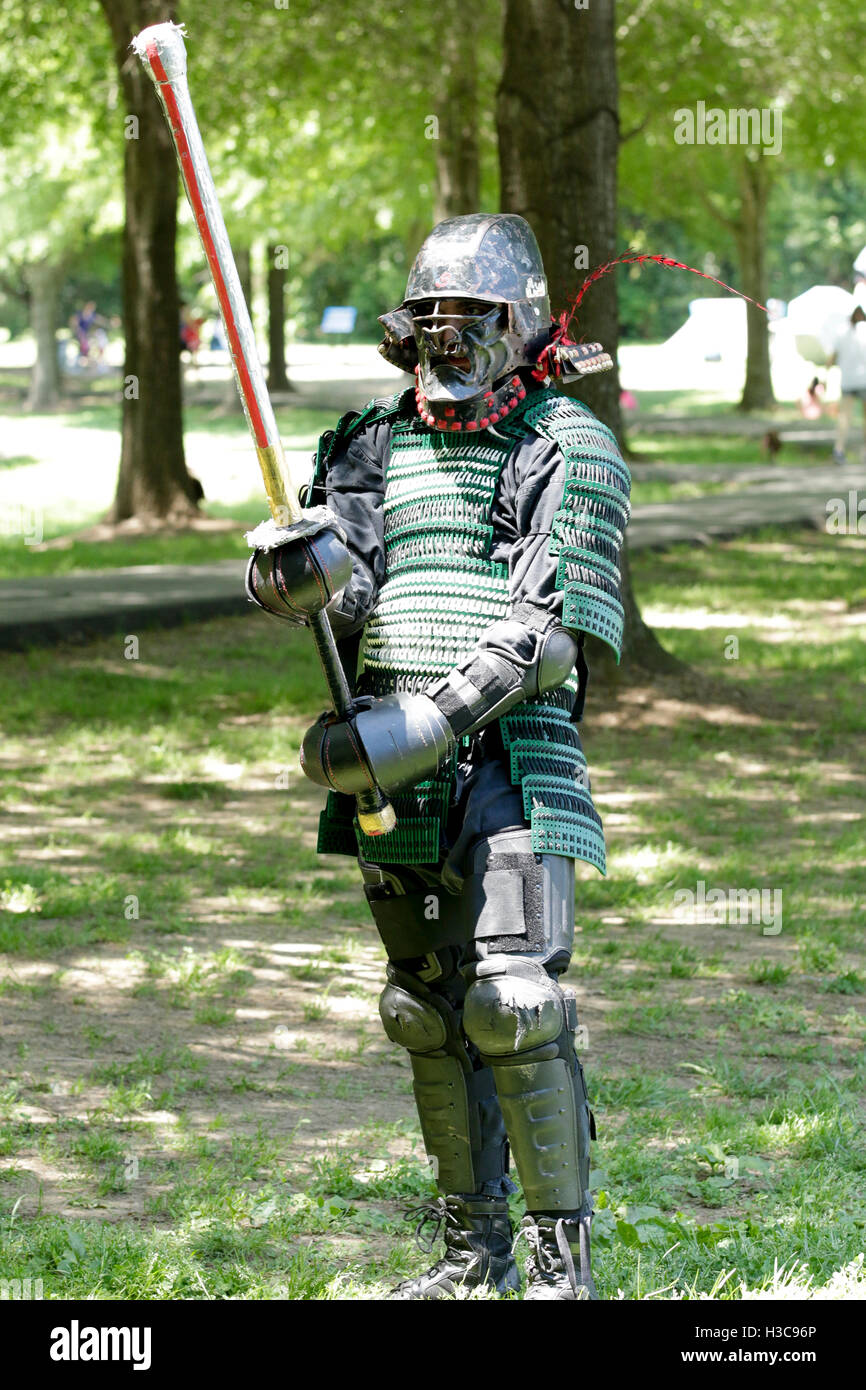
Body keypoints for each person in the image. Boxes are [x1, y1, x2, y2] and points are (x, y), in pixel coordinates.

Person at [245, 214, 630, 1299]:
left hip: (510, 756)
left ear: (516, 324)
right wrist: (294, 575)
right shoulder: (368, 444)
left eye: (472, 319)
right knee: (421, 1004)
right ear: (405, 330)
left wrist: (420, 728)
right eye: (433, 320)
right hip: (386, 773)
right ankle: (472, 1258)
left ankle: (560, 1270)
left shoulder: (564, 438)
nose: (449, 341)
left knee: (511, 1002)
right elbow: (354, 587)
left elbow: (545, 631)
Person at [829, 304, 866, 463]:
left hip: (848, 380)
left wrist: (825, 371)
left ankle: (839, 449)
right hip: (864, 379)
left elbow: (832, 357)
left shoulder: (841, 332)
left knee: (845, 416)